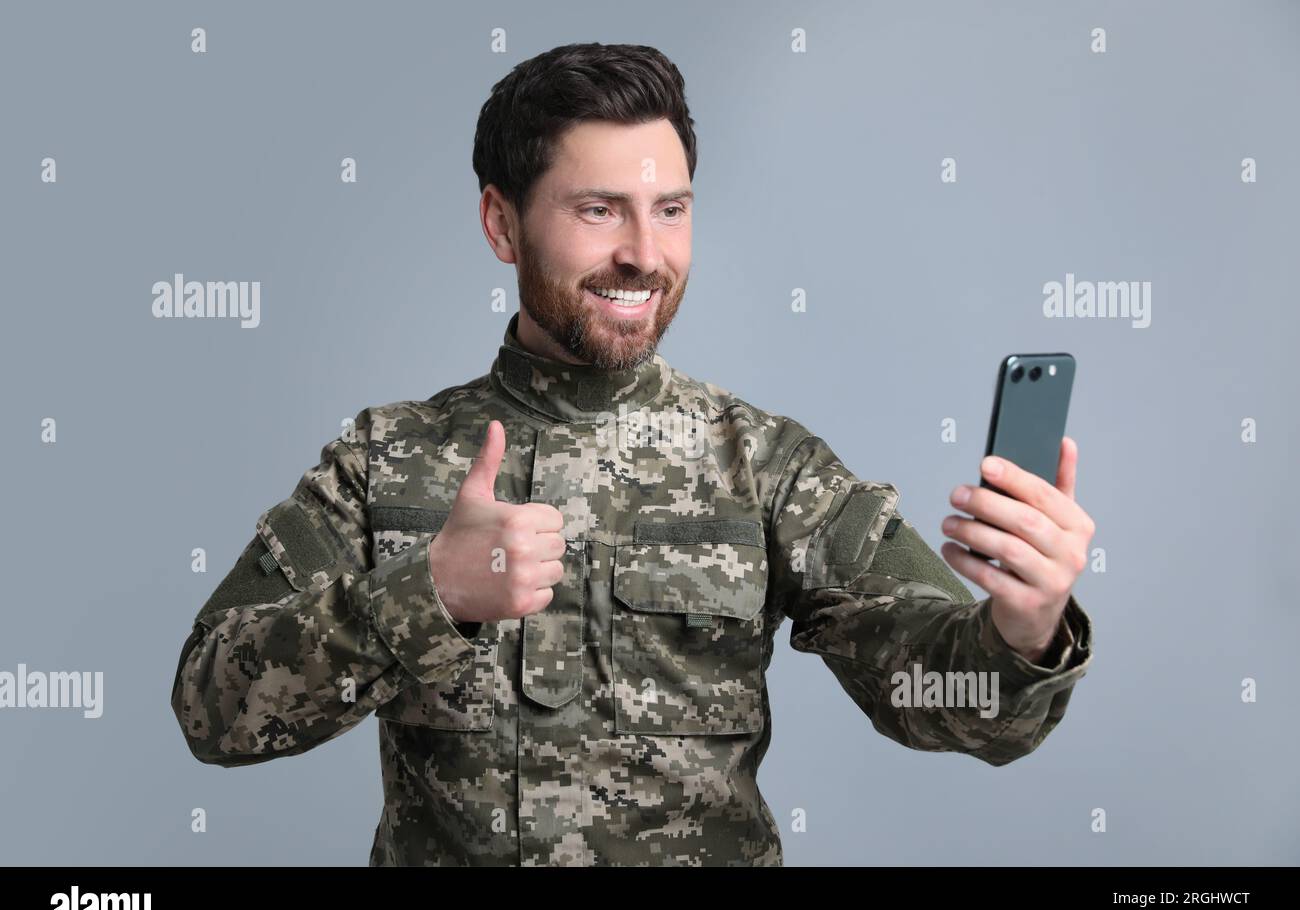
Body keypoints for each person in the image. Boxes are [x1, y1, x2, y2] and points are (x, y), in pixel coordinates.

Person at [170, 42, 1096, 866]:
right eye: (600, 210)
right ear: (501, 224)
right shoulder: (385, 456)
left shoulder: (767, 463)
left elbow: (953, 703)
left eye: (672, 209)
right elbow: (212, 710)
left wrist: (1023, 630)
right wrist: (427, 594)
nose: (645, 254)